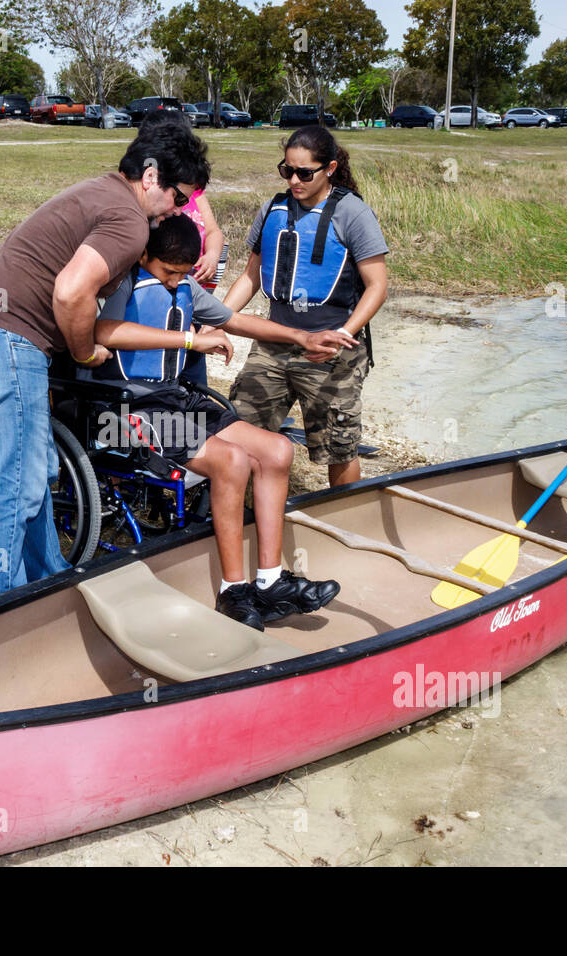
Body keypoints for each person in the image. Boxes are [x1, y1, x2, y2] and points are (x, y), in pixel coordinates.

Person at [0, 123, 211, 605]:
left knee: (39, 472)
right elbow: (71, 292)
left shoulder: (102, 193)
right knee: (12, 484)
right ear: (150, 177)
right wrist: (83, 351)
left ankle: (48, 583)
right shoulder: (129, 221)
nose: (179, 211)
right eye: (179, 197)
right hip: (5, 339)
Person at [87, 215, 353, 628]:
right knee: (231, 461)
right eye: (167, 272)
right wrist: (192, 339)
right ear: (144, 256)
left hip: (174, 401)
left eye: (182, 273)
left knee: (277, 449)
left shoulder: (185, 285)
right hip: (125, 409)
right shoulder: (124, 281)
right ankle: (233, 590)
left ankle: (269, 581)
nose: (176, 282)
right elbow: (105, 331)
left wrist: (301, 338)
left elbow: (233, 319)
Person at [223, 125, 389, 488]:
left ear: (329, 168)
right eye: (287, 170)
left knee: (338, 446)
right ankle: (248, 513)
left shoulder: (353, 213)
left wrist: (345, 333)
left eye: (304, 173)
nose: (294, 180)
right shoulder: (273, 209)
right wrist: (216, 320)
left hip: (332, 350)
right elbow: (250, 277)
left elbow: (377, 286)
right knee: (240, 430)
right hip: (274, 343)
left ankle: (346, 518)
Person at [132, 109, 226, 388]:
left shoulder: (195, 191)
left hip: (190, 294)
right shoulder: (147, 193)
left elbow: (213, 231)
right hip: (160, 300)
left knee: (194, 380)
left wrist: (212, 253)